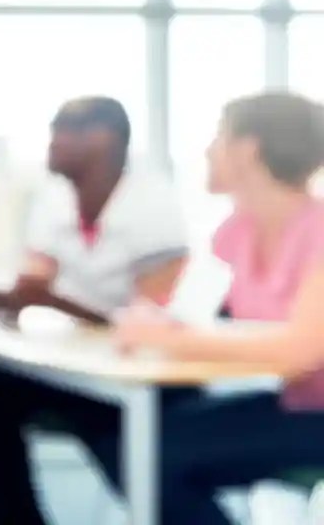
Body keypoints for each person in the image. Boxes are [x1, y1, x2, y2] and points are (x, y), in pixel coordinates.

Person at [0, 96, 193, 525]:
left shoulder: (153, 205)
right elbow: (35, 280)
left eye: (62, 131)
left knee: (115, 430)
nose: (51, 143)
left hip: (149, 372)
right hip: (85, 366)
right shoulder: (54, 200)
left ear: (103, 139)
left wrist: (51, 300)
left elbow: (149, 324)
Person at [103, 91, 324, 524]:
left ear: (248, 149)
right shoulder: (235, 231)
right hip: (295, 405)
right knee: (131, 442)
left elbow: (301, 352)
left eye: (218, 138)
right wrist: (154, 323)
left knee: (154, 457)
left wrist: (173, 339)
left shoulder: (318, 233)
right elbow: (185, 314)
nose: (207, 151)